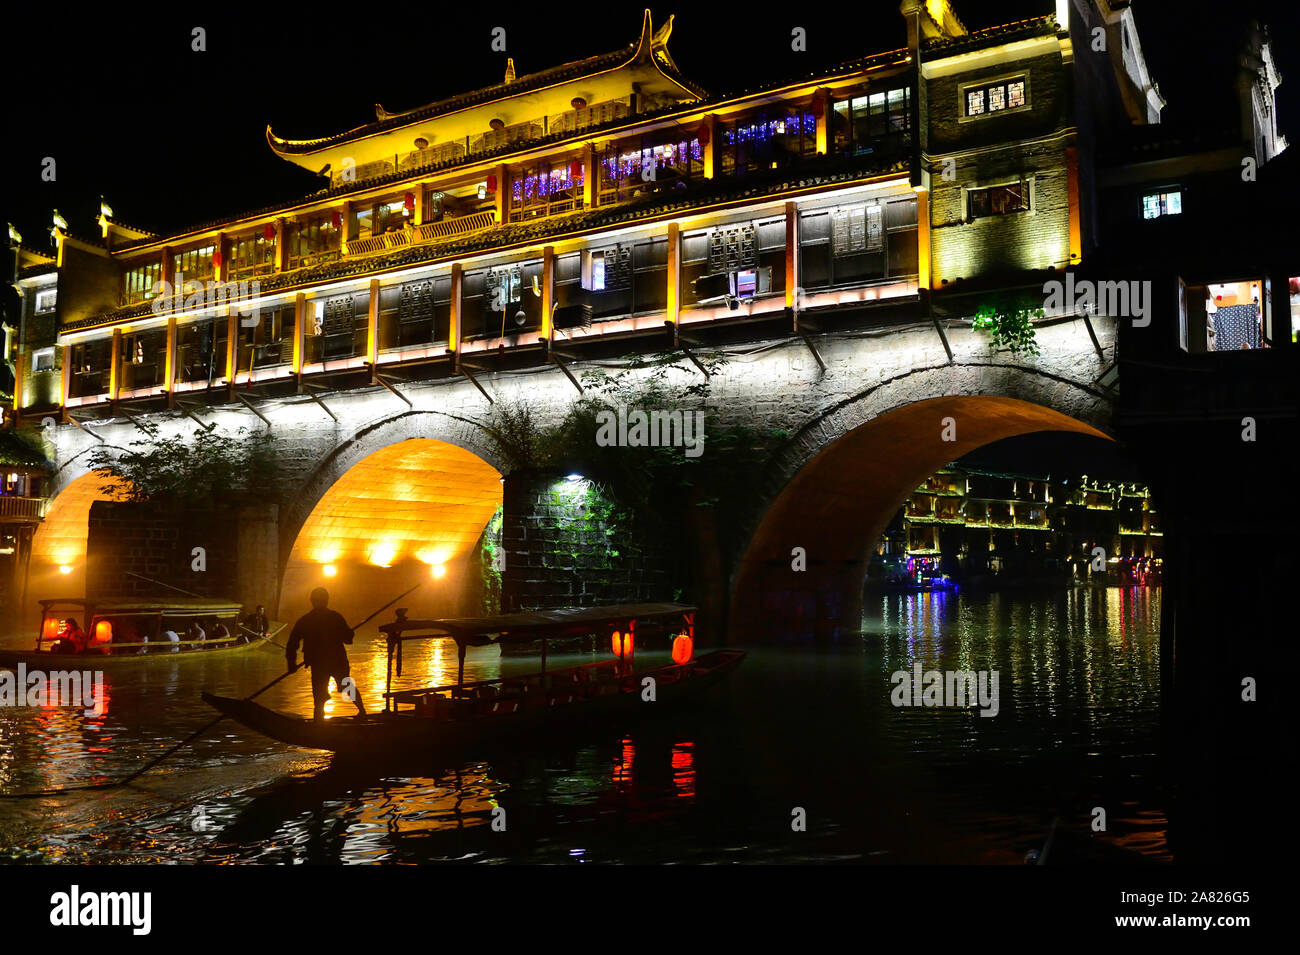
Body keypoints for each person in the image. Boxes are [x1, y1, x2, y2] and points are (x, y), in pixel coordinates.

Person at [286, 588, 365, 721]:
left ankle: (319, 721)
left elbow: (292, 644)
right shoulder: (335, 617)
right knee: (345, 686)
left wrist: (291, 663)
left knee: (319, 694)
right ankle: (362, 712)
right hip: (335, 661)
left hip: (321, 663)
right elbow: (348, 640)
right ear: (326, 601)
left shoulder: (305, 620)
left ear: (312, 601)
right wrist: (350, 633)